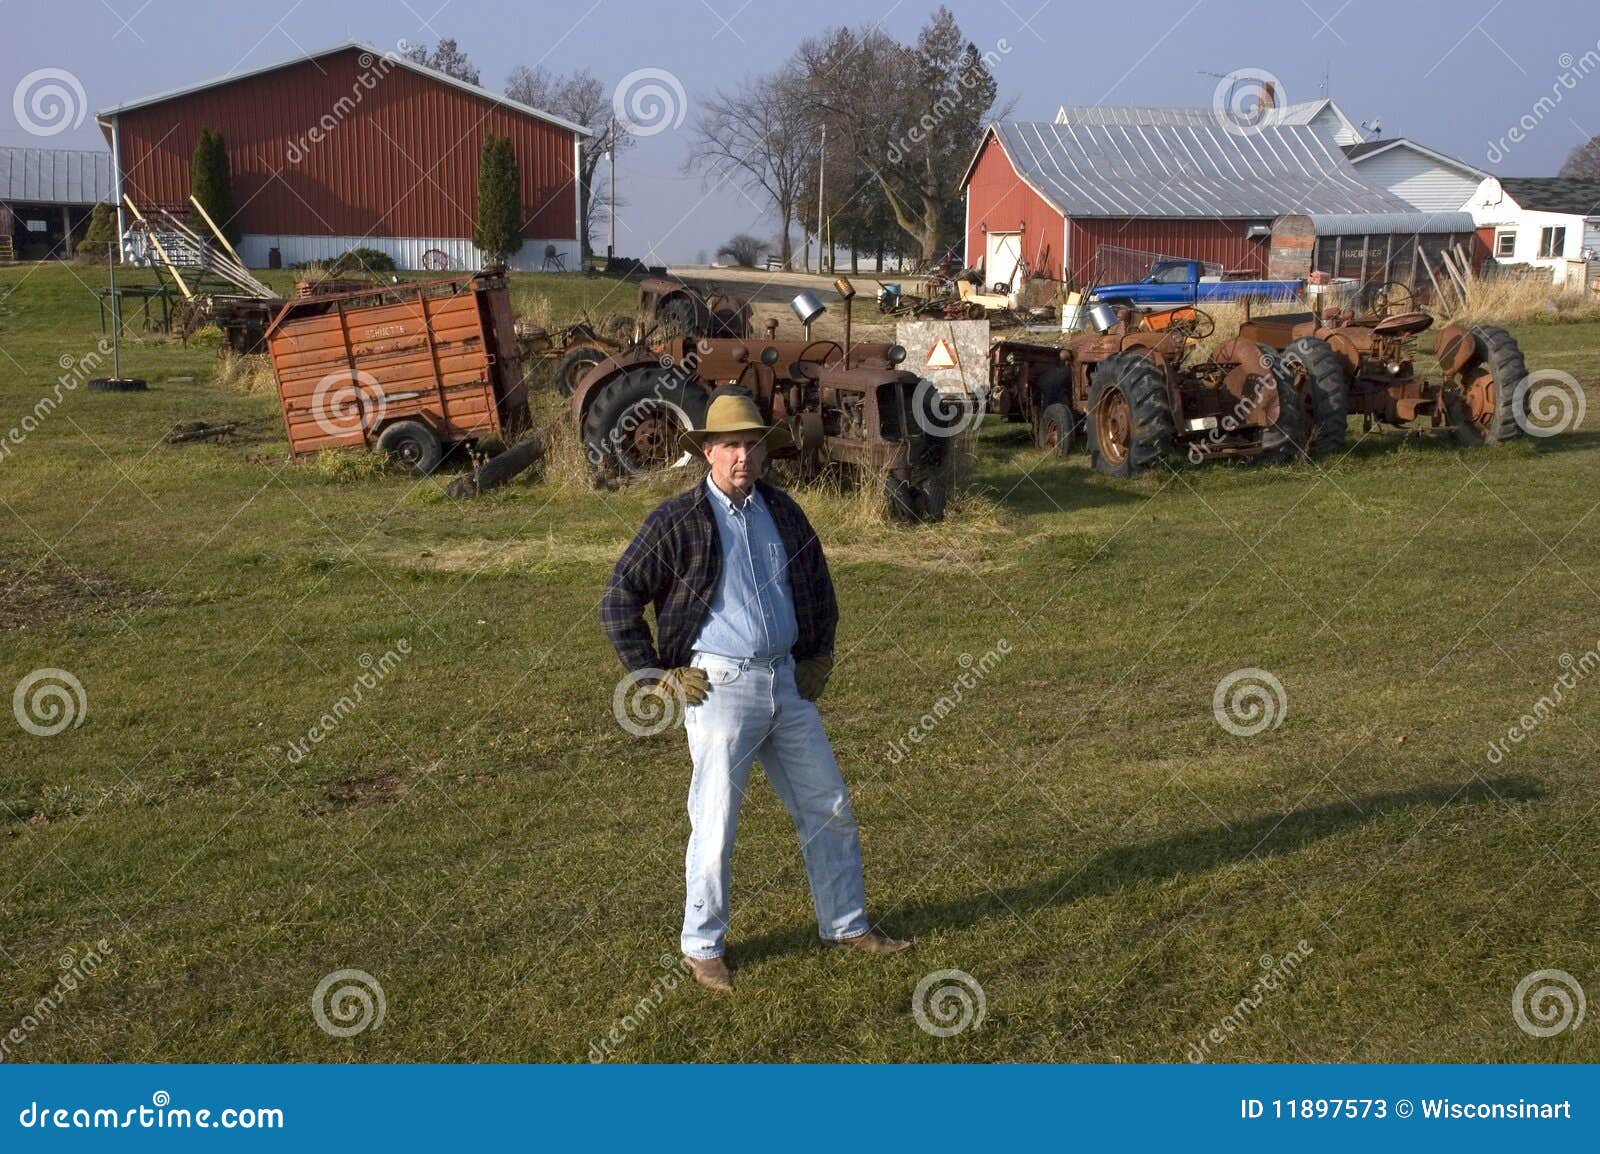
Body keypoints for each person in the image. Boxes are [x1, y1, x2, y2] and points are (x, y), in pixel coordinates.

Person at [600, 392, 910, 993]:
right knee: (715, 823)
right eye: (731, 445)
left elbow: (816, 582)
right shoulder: (677, 519)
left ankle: (846, 924)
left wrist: (819, 652)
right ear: (708, 453)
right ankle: (702, 946)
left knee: (830, 809)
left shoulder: (784, 511)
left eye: (752, 444)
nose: (742, 456)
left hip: (786, 684)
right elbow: (618, 598)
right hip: (719, 689)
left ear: (765, 451)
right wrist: (655, 671)